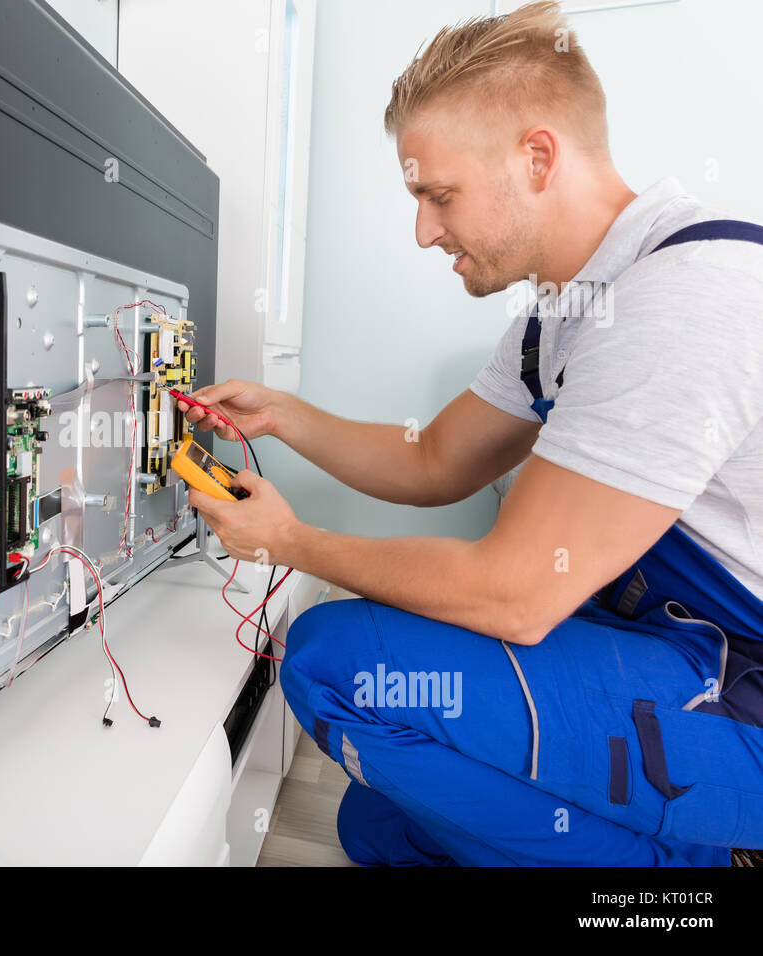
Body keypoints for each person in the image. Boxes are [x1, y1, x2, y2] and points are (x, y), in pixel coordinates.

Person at [181, 0, 763, 866]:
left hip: (739, 691)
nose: (423, 231)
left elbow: (515, 595)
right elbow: (435, 458)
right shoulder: (565, 311)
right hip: (668, 642)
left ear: (537, 157)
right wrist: (286, 416)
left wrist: (293, 542)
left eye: (437, 195)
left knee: (335, 663)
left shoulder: (682, 298)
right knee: (370, 826)